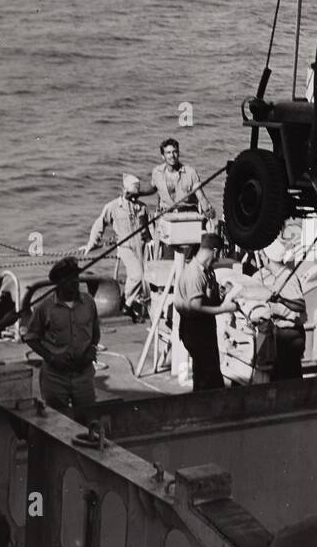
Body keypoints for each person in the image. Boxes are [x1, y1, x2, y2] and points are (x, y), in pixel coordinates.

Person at [23, 256, 100, 421]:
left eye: (76, 278)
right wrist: (51, 357)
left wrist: (92, 349)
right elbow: (31, 337)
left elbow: (95, 331)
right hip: (55, 377)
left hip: (83, 374)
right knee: (56, 421)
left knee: (88, 419)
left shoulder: (89, 302)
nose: (75, 283)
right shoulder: (44, 307)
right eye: (69, 279)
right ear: (58, 283)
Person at [174, 233, 237, 391]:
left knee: (204, 374)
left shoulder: (207, 271)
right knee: (210, 376)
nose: (218, 259)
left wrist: (222, 292)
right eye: (218, 254)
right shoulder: (194, 274)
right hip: (196, 331)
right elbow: (196, 307)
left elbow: (208, 296)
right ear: (214, 251)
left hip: (205, 330)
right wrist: (223, 309)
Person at [84, 174, 149, 319]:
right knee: (137, 275)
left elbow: (147, 229)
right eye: (132, 193)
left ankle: (131, 304)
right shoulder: (112, 207)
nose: (134, 197)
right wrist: (92, 244)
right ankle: (126, 304)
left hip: (141, 245)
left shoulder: (142, 207)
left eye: (136, 193)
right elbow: (99, 225)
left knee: (143, 277)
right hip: (125, 246)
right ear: (124, 190)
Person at [252, 237, 307, 380]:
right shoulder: (279, 277)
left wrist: (282, 300)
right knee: (281, 377)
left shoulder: (288, 278)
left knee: (290, 378)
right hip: (281, 334)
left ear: (268, 259)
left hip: (290, 335)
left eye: (263, 257)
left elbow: (300, 305)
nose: (262, 260)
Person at [142, 137, 214, 222]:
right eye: (168, 153)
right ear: (163, 156)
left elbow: (201, 197)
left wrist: (208, 210)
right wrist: (137, 193)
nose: (172, 156)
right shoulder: (157, 172)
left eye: (174, 152)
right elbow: (153, 187)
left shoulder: (190, 172)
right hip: (166, 216)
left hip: (187, 216)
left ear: (178, 154)